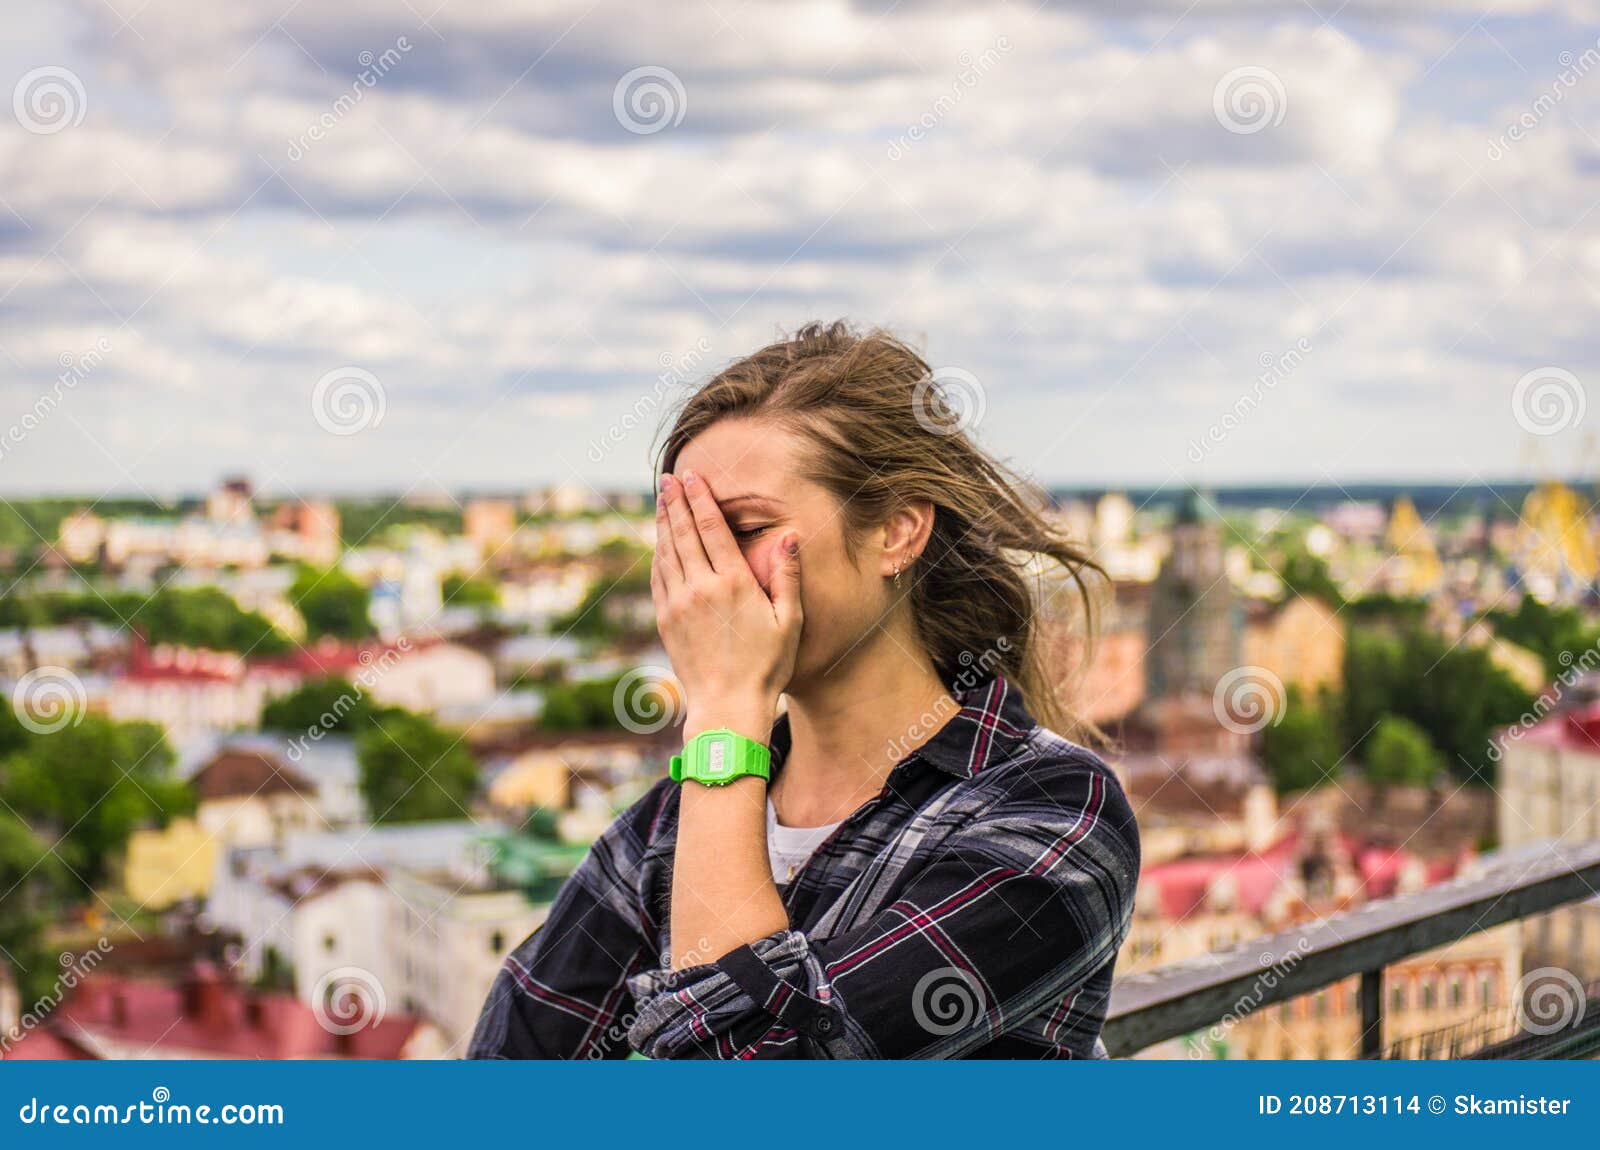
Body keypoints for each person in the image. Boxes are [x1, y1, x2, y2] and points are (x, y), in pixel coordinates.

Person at [468, 321, 1140, 1059]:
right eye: (690, 536)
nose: (713, 574)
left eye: (744, 528)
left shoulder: (1051, 811)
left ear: (897, 529)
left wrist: (724, 709)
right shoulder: (664, 831)